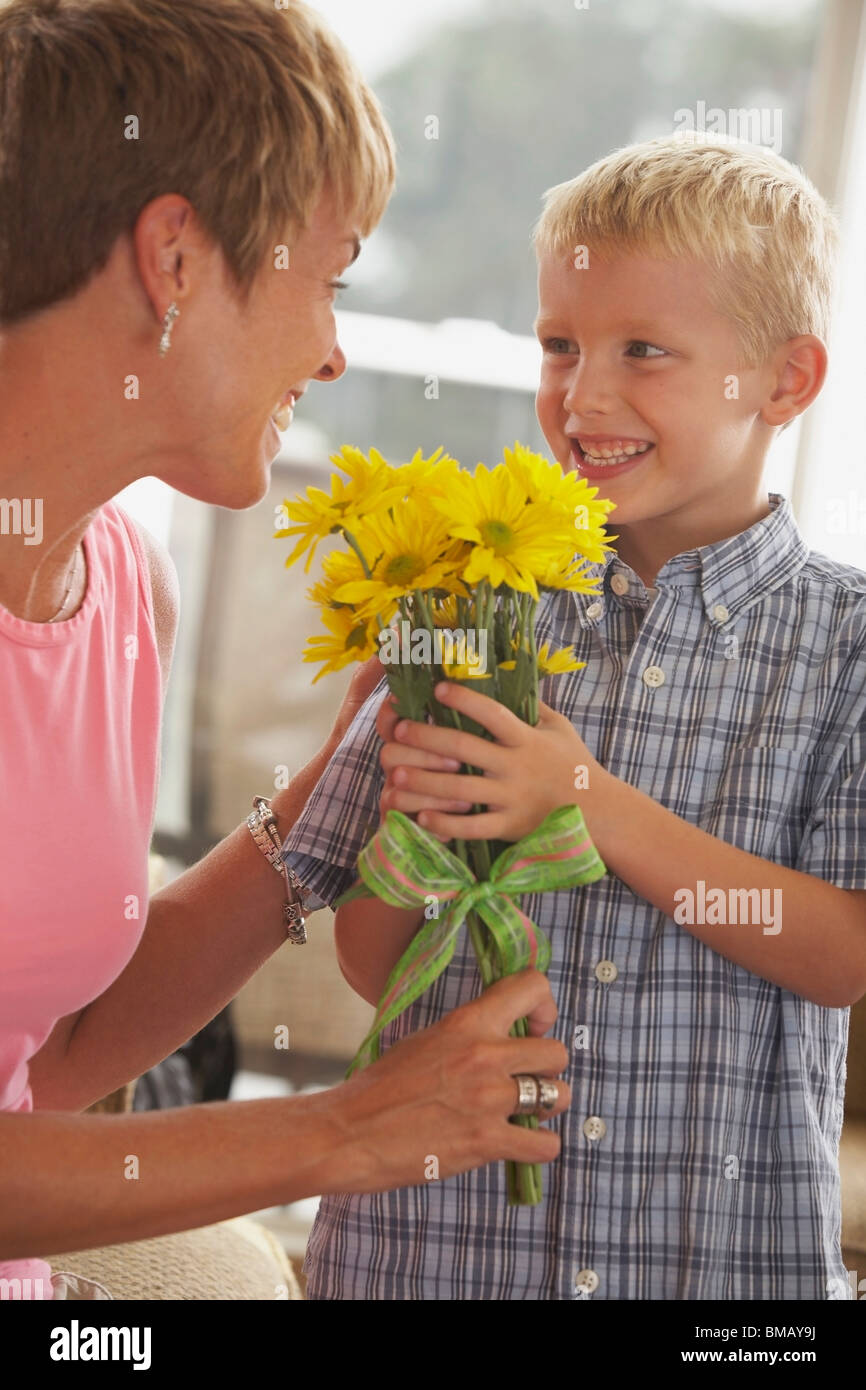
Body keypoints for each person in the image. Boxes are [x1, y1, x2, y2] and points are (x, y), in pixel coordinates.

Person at [0, 0, 571, 1302]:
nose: (333, 346)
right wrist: (349, 1127)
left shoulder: (121, 588)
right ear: (174, 260)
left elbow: (56, 1052)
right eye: (330, 276)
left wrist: (332, 797)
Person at [283, 134, 866, 1300]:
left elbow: (841, 955)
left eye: (642, 350)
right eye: (559, 346)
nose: (581, 395)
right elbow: (365, 958)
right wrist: (421, 835)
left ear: (786, 382)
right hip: (425, 1261)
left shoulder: (845, 647)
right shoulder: (456, 604)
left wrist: (581, 801)